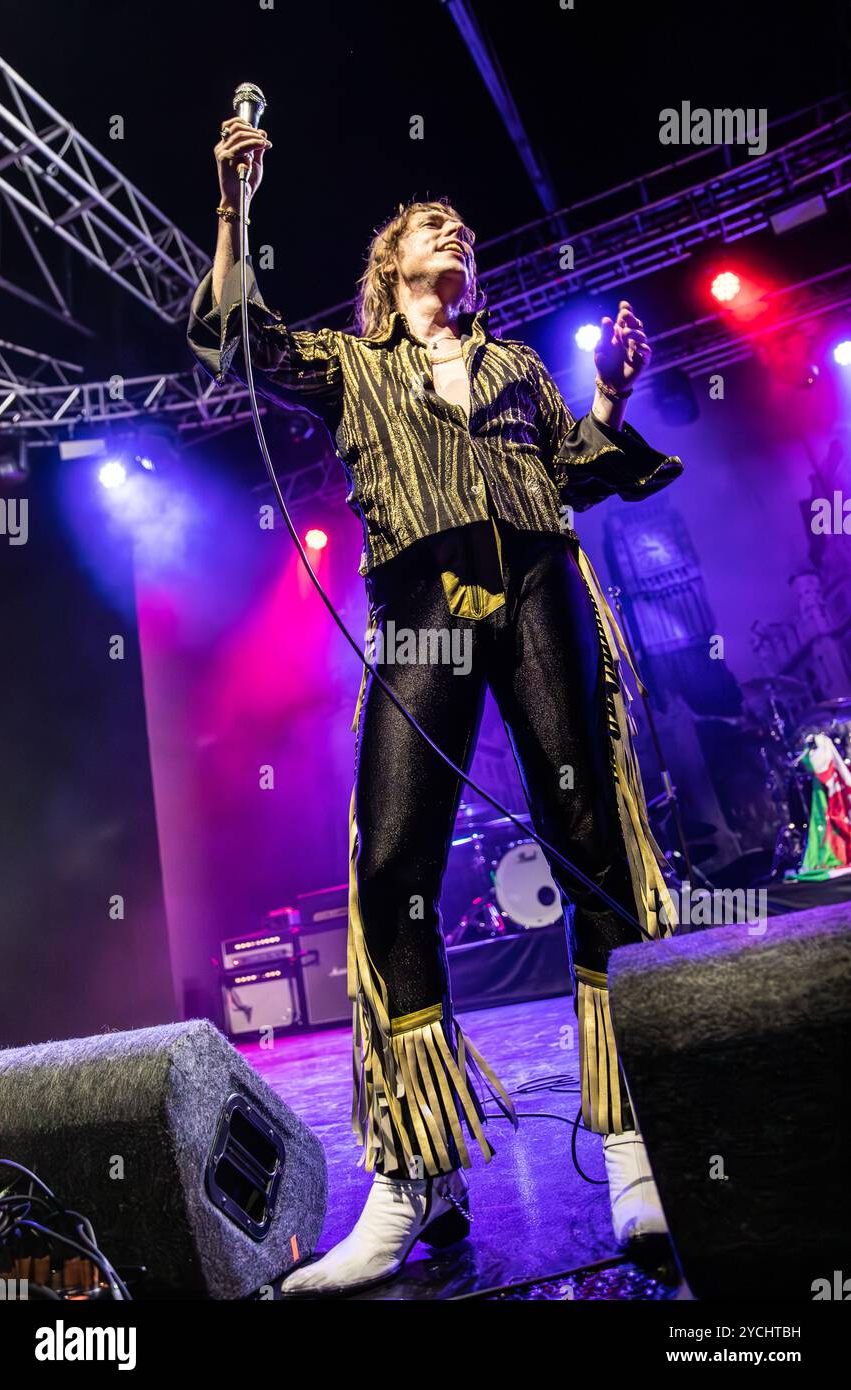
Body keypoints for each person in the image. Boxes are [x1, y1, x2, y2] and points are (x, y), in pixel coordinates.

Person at [187, 117, 684, 1296]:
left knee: (588, 841)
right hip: (421, 600)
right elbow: (231, 339)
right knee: (393, 860)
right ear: (390, 266)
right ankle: (416, 1174)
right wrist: (234, 208)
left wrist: (610, 393)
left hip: (539, 583)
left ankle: (629, 1136)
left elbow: (579, 468)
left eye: (459, 224)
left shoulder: (515, 368)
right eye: (426, 224)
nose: (451, 228)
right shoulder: (353, 365)